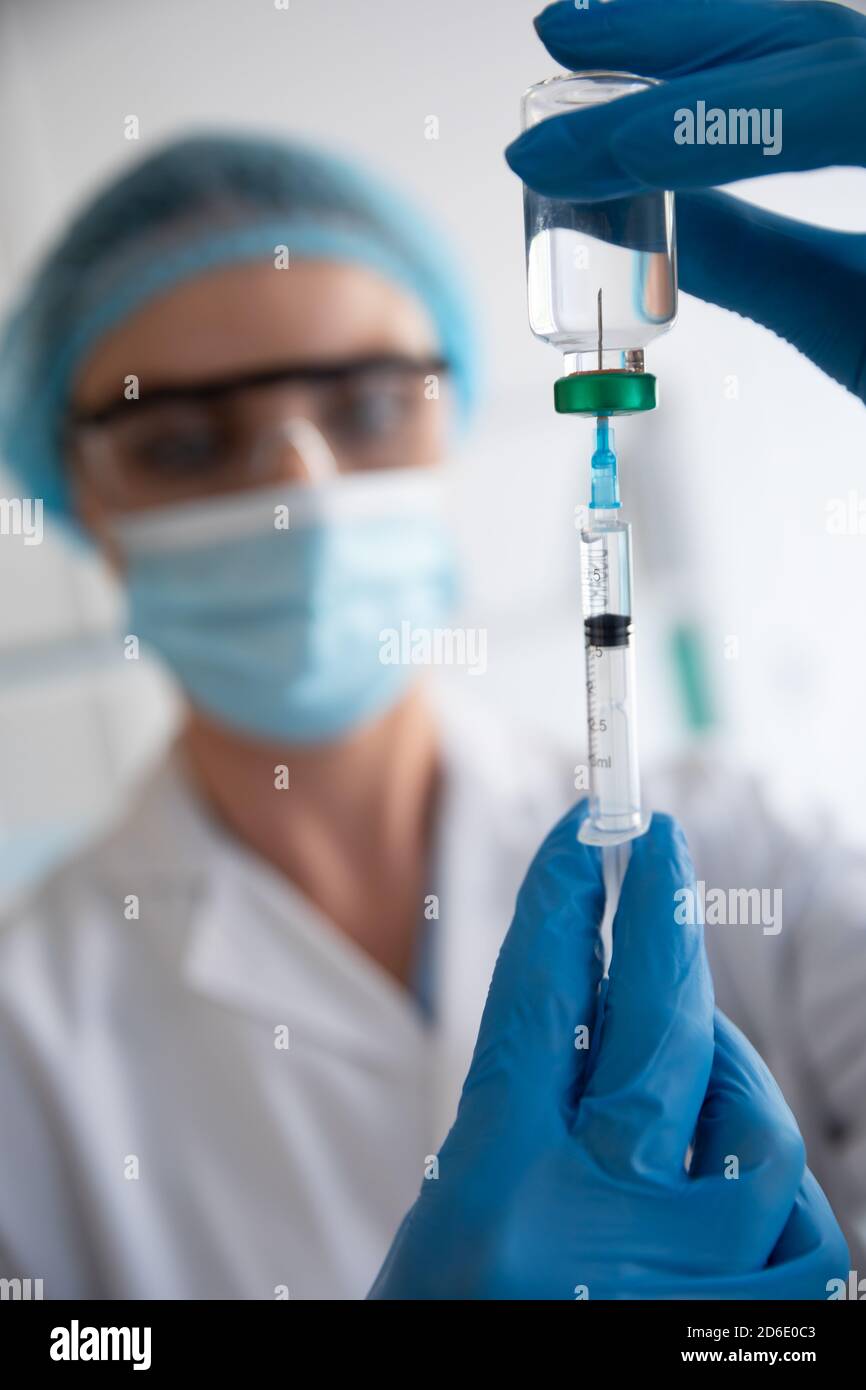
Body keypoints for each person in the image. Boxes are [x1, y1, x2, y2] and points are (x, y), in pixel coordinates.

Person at [0, 0, 862, 1297]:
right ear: (74, 499)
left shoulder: (754, 856)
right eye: (180, 438)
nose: (301, 487)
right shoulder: (27, 1045)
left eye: (360, 404)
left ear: (450, 408)